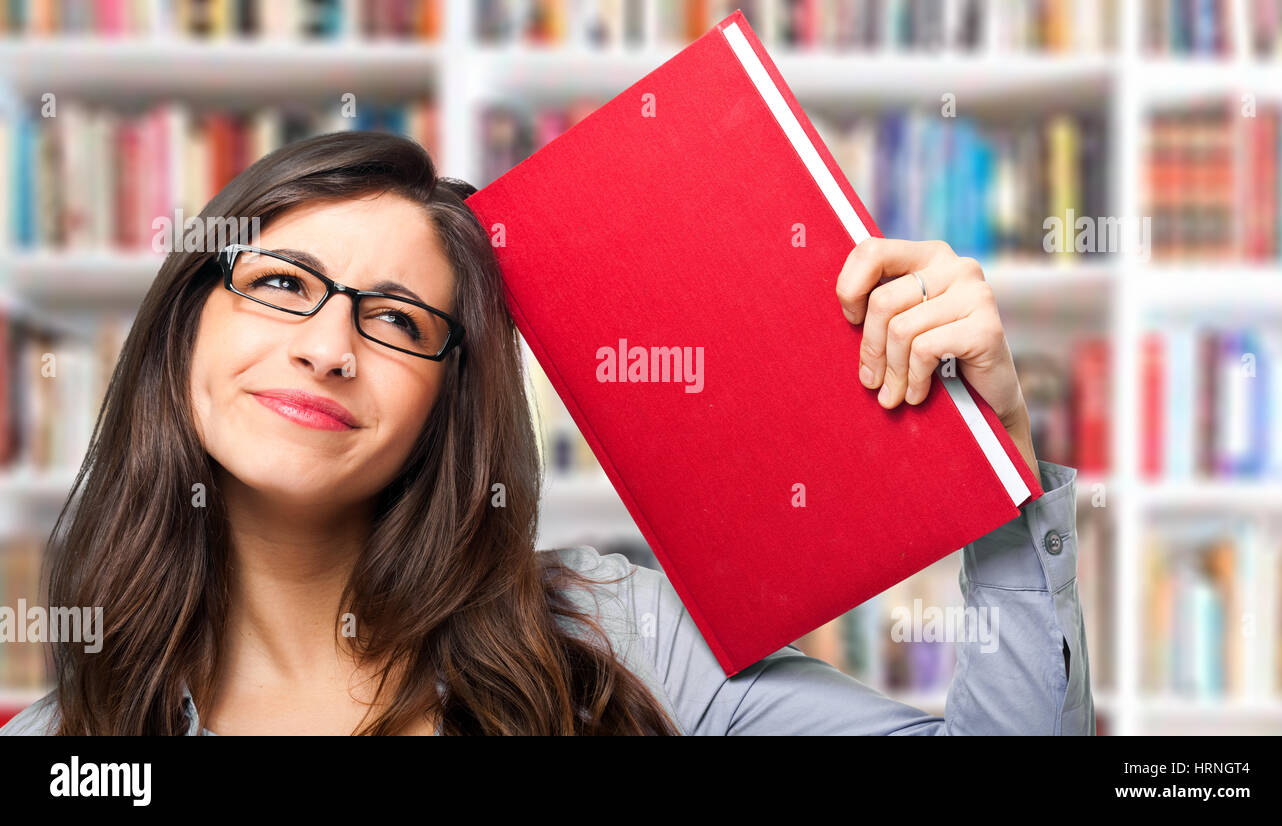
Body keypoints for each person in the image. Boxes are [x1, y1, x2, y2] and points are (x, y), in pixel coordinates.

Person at [0, 131, 1090, 735]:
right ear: (187, 322)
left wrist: (988, 460)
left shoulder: (619, 640)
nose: (327, 345)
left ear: (448, 398)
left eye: (394, 319)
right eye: (282, 283)